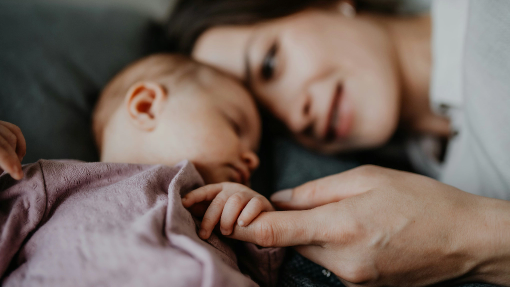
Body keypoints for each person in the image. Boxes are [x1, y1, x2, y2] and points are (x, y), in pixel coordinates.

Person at [166, 0, 510, 285]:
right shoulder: (424, 164)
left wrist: (464, 237)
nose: (295, 118)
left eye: (270, 63)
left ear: (331, 4)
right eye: (267, 121)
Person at [0, 54, 284, 286]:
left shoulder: (221, 223)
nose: (253, 160)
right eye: (234, 125)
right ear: (146, 106)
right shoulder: (54, 184)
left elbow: (267, 275)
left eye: (255, 151)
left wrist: (253, 223)